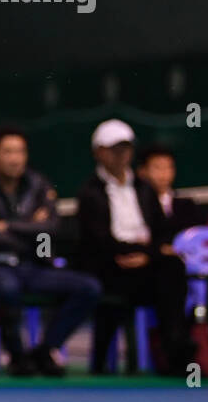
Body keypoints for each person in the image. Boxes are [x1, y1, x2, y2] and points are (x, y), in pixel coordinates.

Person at [0, 126, 102, 376]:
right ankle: (16, 355)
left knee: (89, 287)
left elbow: (52, 228)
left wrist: (9, 226)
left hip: (35, 266)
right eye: (8, 151)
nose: (15, 158)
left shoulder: (38, 184)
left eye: (21, 151)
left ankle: (46, 349)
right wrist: (31, 228)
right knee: (6, 289)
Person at [77, 119, 193, 374]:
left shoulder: (144, 189)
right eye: (114, 149)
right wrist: (135, 253)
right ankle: (102, 362)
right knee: (118, 284)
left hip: (147, 264)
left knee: (172, 268)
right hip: (111, 267)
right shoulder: (89, 192)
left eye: (126, 148)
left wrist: (147, 255)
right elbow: (98, 240)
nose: (121, 155)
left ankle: (176, 351)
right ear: (98, 152)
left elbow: (163, 233)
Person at [136, 144, 201, 237]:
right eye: (157, 167)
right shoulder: (135, 205)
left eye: (169, 167)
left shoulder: (187, 205)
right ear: (142, 171)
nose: (164, 173)